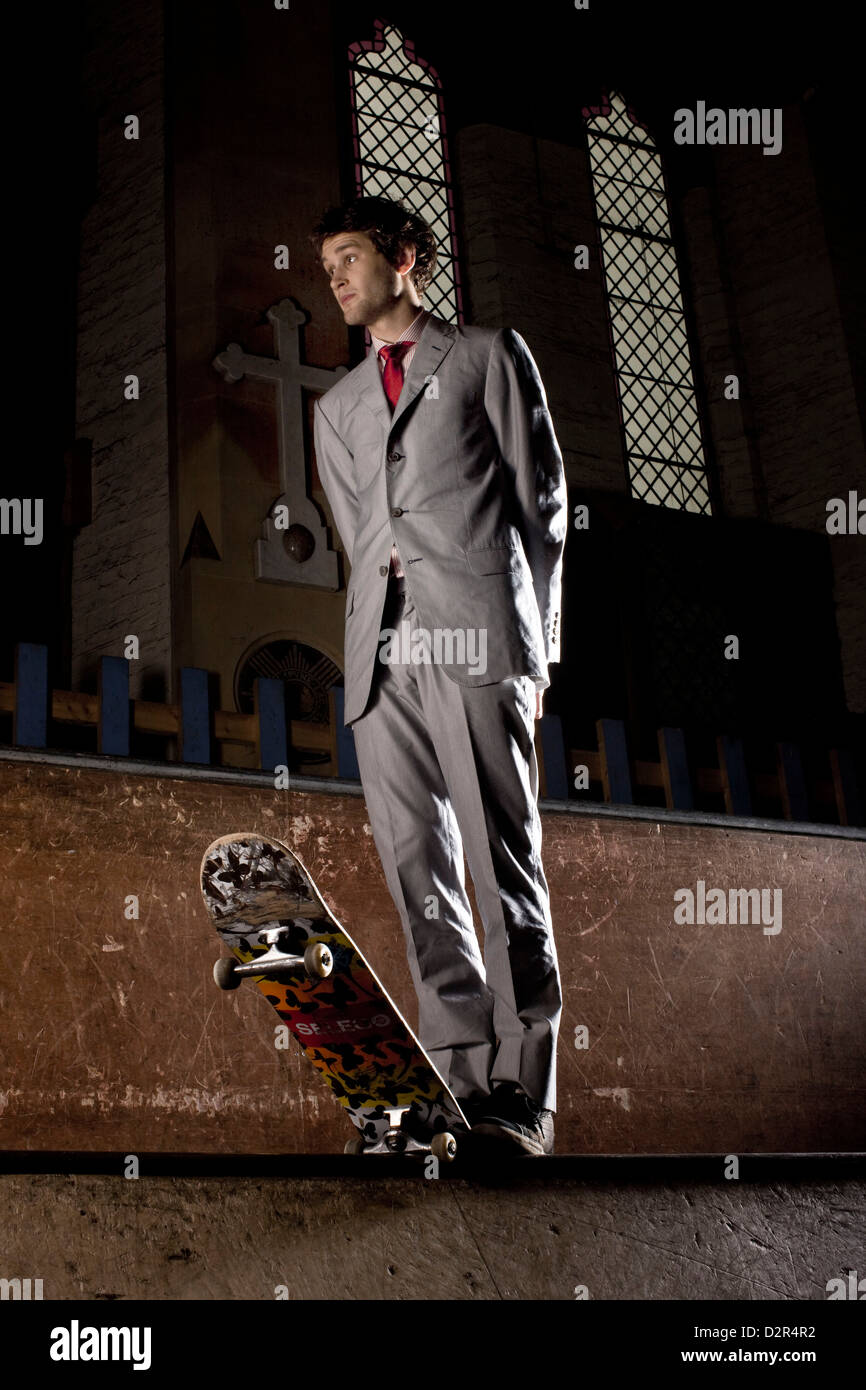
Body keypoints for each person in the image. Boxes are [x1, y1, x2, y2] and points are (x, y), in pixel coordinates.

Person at [310, 196, 567, 1155]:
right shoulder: (334, 408)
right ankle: (454, 1080)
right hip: (383, 661)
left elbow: (542, 507)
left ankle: (522, 1086)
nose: (334, 276)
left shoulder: (488, 356)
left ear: (404, 256)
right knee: (419, 870)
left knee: (502, 860)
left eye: (349, 256)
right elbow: (357, 537)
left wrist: (535, 652)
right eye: (324, 263)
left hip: (479, 640)